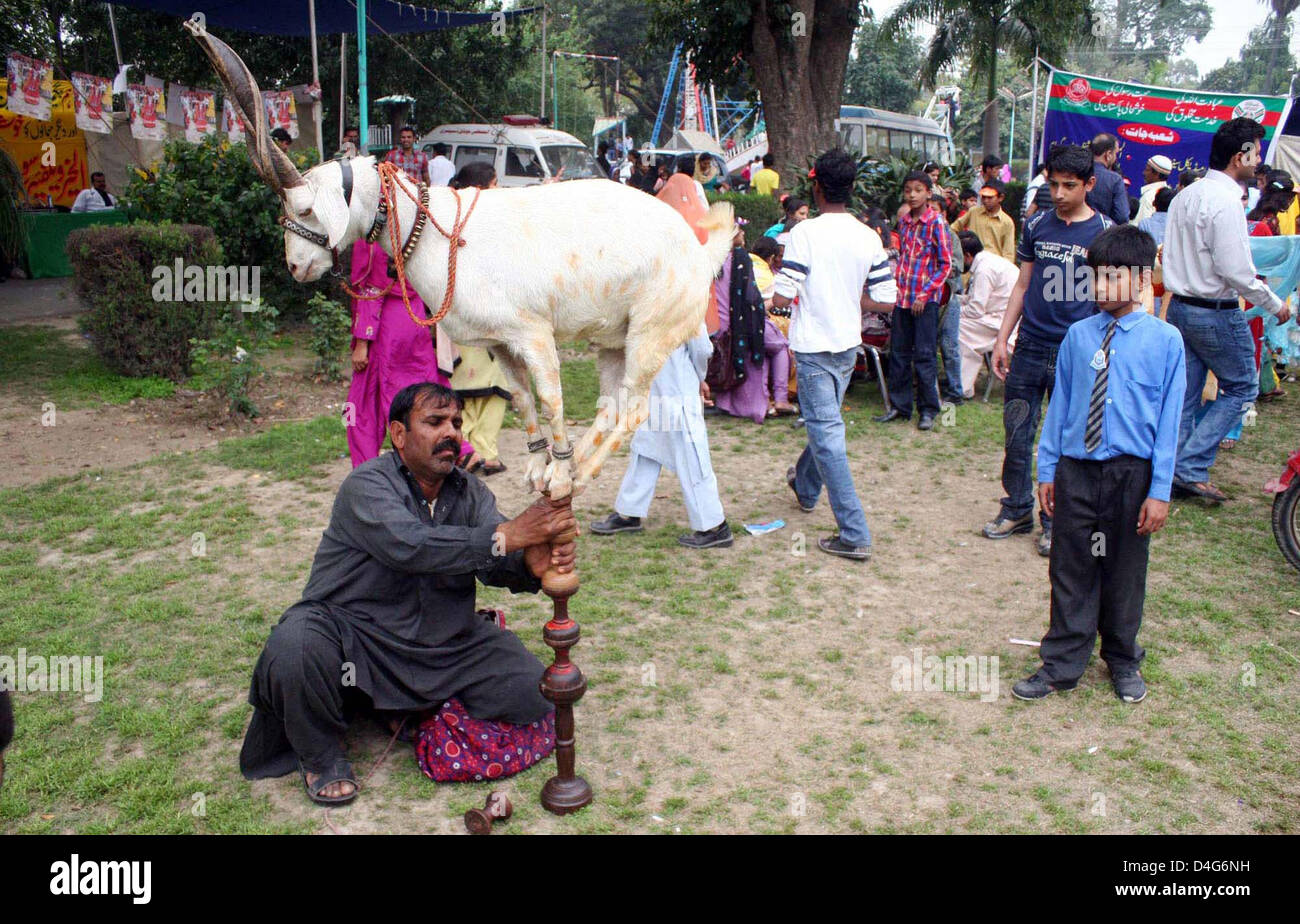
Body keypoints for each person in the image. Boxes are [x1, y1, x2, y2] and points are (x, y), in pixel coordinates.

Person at [239, 382, 576, 803]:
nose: (450, 432)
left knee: (531, 690)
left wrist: (531, 563)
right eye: (434, 422)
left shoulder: (468, 491)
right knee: (295, 648)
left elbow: (496, 562)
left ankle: (398, 707)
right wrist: (510, 536)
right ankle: (323, 757)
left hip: (442, 642)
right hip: (355, 635)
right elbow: (411, 546)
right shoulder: (366, 485)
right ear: (399, 435)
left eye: (455, 422)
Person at [1013, 225, 1186, 703]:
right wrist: (1047, 470)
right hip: (1078, 471)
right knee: (1071, 567)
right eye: (1094, 278)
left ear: (1142, 279)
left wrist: (1160, 490)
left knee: (1124, 568)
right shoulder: (1077, 336)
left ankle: (1123, 658)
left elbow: (1170, 422)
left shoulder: (1166, 342)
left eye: (1111, 278)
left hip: (1133, 475)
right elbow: (1061, 408)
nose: (1099, 288)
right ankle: (1062, 663)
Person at [985, 144, 1113, 556]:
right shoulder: (1037, 224)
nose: (1058, 193)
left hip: (1078, 351)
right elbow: (1022, 285)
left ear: (1089, 185)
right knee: (1017, 429)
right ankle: (1017, 506)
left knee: (1066, 439)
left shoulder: (1105, 232)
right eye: (1053, 184)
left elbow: (1110, 298)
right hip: (1031, 345)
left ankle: (1056, 521)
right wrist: (1003, 338)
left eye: (1068, 186)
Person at [773, 149, 897, 561]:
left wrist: (776, 300)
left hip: (813, 348)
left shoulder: (804, 232)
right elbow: (886, 299)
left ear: (816, 185)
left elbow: (784, 293)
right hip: (848, 345)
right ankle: (805, 487)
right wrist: (850, 298)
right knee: (826, 428)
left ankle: (855, 532)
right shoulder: (868, 235)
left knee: (828, 436)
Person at [1163, 117, 1293, 502]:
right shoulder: (1225, 201)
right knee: (1242, 386)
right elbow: (1237, 272)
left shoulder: (1187, 195)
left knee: (1185, 394)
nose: (1260, 160)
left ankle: (1175, 469)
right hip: (1212, 309)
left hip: (1181, 307)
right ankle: (1189, 467)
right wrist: (1274, 305)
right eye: (1257, 150)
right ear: (1241, 156)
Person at [589, 323, 733, 549]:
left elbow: (702, 348)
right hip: (654, 385)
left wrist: (698, 377)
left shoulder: (684, 292)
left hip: (679, 388)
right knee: (645, 447)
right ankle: (629, 512)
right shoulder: (647, 292)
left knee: (692, 456)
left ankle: (714, 526)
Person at [344, 239, 475, 468]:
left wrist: (362, 341)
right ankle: (460, 449)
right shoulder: (410, 227)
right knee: (425, 384)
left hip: (386, 326)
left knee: (363, 403)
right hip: (413, 317)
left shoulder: (374, 235)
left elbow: (373, 286)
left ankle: (366, 467)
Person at [874, 170, 952, 431]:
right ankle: (900, 406)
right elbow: (905, 259)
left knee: (926, 355)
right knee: (898, 353)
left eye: (918, 190)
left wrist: (926, 294)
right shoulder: (905, 222)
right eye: (908, 190)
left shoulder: (937, 223)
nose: (913, 195)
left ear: (929, 193)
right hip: (903, 298)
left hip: (924, 301)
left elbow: (945, 265)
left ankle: (928, 409)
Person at [447, 162, 511, 476]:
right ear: (480, 189)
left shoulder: (480, 221)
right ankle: (472, 450)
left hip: (487, 315)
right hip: (470, 315)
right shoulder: (459, 224)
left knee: (495, 383)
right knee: (473, 386)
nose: (498, 190)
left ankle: (485, 451)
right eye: (495, 184)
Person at [712, 222, 794, 421]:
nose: (743, 233)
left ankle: (755, 403)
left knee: (764, 351)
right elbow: (750, 297)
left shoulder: (712, 260)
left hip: (719, 327)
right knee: (780, 345)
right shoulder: (740, 258)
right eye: (739, 230)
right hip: (742, 325)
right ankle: (781, 398)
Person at [955, 230, 1019, 399]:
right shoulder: (987, 261)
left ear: (967, 256)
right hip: (999, 316)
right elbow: (974, 300)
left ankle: (962, 387)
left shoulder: (984, 269)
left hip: (1005, 322)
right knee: (959, 322)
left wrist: (952, 310)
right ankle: (960, 382)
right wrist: (955, 300)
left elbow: (975, 310)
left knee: (958, 327)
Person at [935, 192, 966, 404]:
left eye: (934, 210)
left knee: (949, 345)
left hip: (948, 298)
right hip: (926, 298)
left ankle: (956, 390)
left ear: (944, 214)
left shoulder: (950, 236)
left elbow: (955, 267)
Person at [951, 178, 1016, 262]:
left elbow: (1008, 254)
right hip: (971, 266)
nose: (985, 200)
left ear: (1001, 198)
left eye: (990, 198)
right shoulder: (973, 212)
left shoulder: (1007, 222)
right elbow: (953, 229)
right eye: (983, 197)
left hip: (993, 267)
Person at [1086, 133, 1130, 225]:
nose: (1115, 158)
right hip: (1103, 235)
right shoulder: (1114, 180)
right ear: (1108, 154)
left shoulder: (1078, 172)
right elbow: (1122, 216)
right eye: (1115, 153)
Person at [1134, 155, 1173, 223]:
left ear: (1156, 174)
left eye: (1147, 170)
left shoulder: (1149, 197)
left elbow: (1141, 227)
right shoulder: (1170, 195)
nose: (1144, 173)